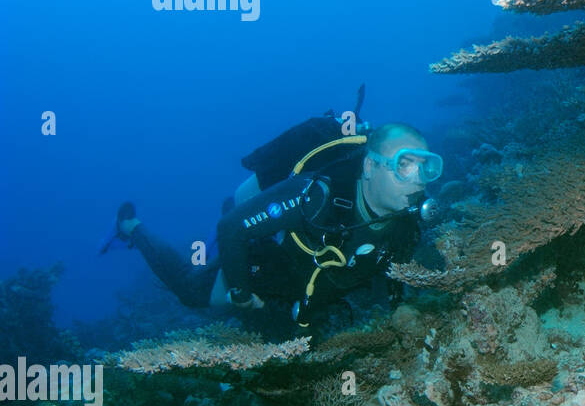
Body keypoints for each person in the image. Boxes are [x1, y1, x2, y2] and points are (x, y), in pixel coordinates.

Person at [107, 122, 441, 329]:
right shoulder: (317, 194)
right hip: (273, 259)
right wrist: (240, 294)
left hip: (311, 285)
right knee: (192, 292)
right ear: (370, 166)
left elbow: (395, 273)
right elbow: (232, 228)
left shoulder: (409, 219)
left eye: (426, 168)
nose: (417, 180)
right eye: (404, 165)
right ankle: (131, 226)